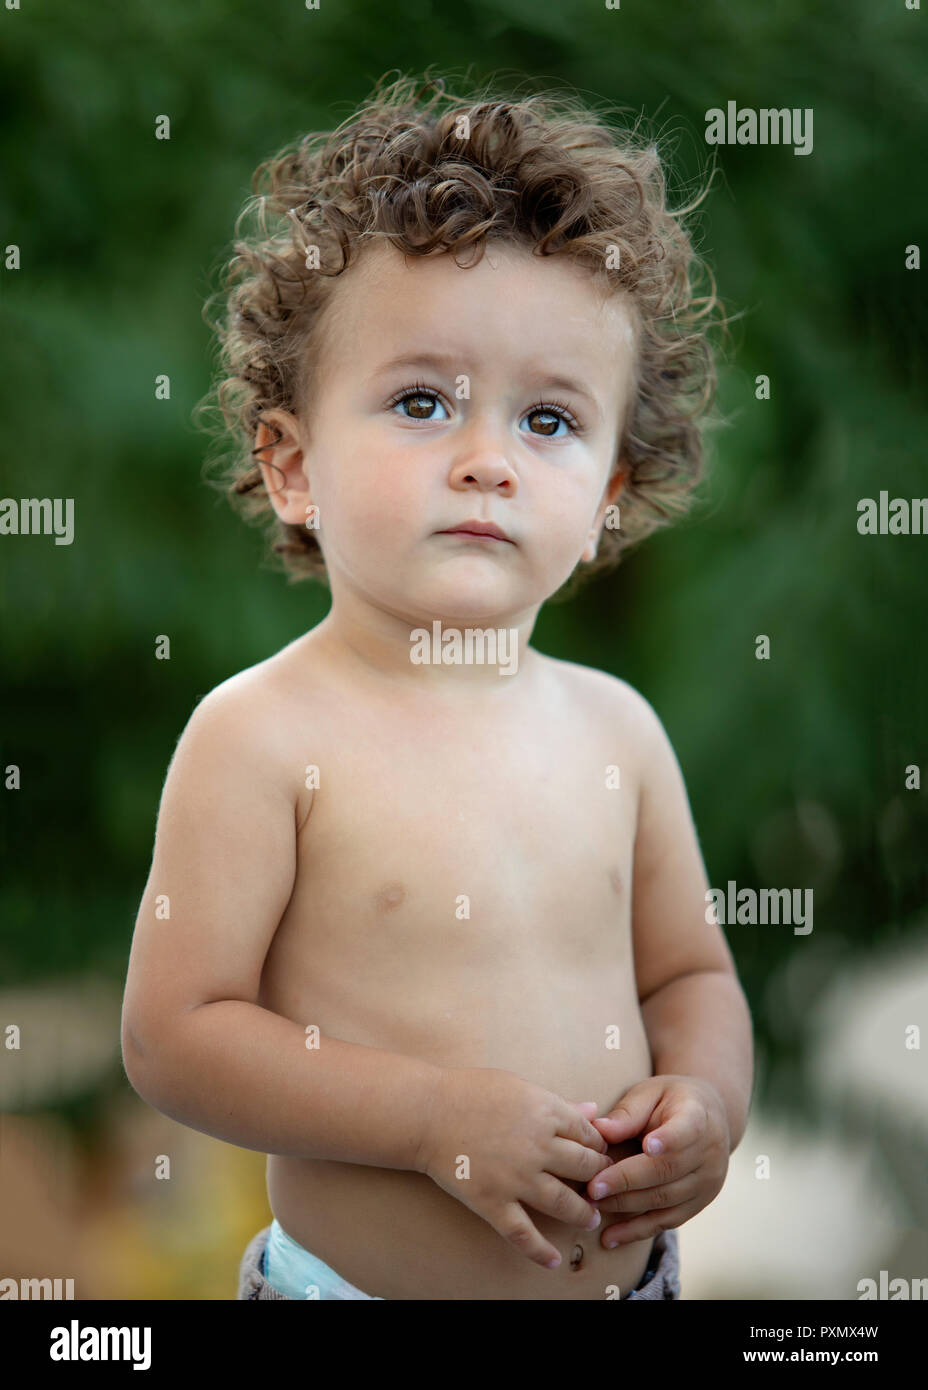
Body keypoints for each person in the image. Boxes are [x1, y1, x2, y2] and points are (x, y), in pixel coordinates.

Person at [120, 69, 752, 1301]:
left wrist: (709, 1106)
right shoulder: (260, 736)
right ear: (294, 465)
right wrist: (431, 1118)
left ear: (611, 493)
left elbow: (690, 978)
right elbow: (175, 1035)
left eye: (550, 422)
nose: (485, 462)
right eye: (422, 402)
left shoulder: (617, 732)